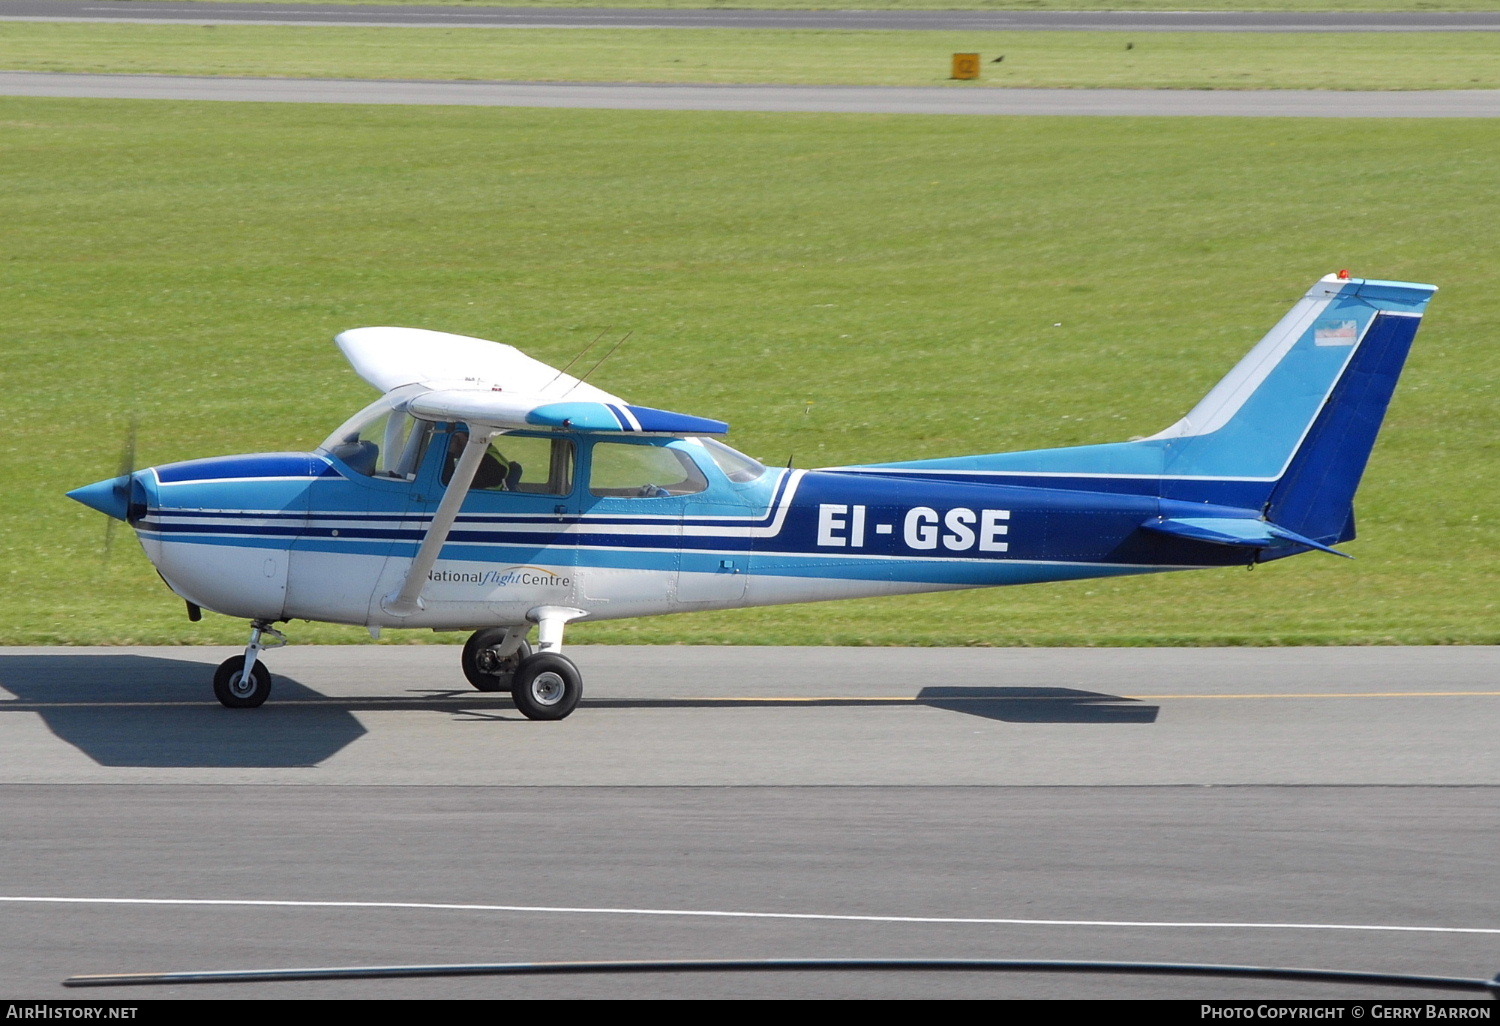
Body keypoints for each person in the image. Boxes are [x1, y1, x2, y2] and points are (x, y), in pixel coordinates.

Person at [441, 430, 509, 490]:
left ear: (470, 440)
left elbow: (450, 481)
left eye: (456, 440)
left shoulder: (490, 463)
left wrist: (450, 453)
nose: (454, 444)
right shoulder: (485, 456)